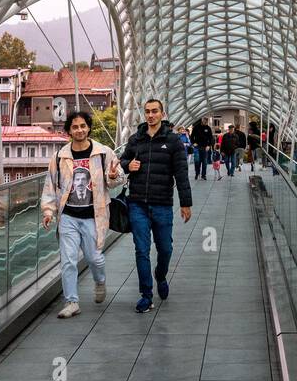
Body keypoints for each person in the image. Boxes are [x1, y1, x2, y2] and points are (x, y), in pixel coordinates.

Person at [40, 110, 121, 318]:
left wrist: (113, 177)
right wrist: (49, 211)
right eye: (75, 127)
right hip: (68, 216)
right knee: (68, 260)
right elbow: (51, 185)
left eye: (83, 126)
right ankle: (71, 302)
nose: (79, 130)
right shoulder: (59, 156)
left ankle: (100, 281)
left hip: (94, 216)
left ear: (89, 127)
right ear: (69, 130)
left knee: (95, 259)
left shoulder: (103, 152)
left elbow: (117, 179)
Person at [119, 98, 192, 312]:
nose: (150, 115)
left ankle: (160, 275)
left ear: (162, 113)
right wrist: (127, 165)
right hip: (137, 203)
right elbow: (122, 162)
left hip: (162, 203)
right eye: (147, 112)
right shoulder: (135, 140)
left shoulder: (173, 141)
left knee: (165, 249)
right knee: (141, 250)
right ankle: (146, 295)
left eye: (154, 111)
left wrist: (186, 203)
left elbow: (181, 173)